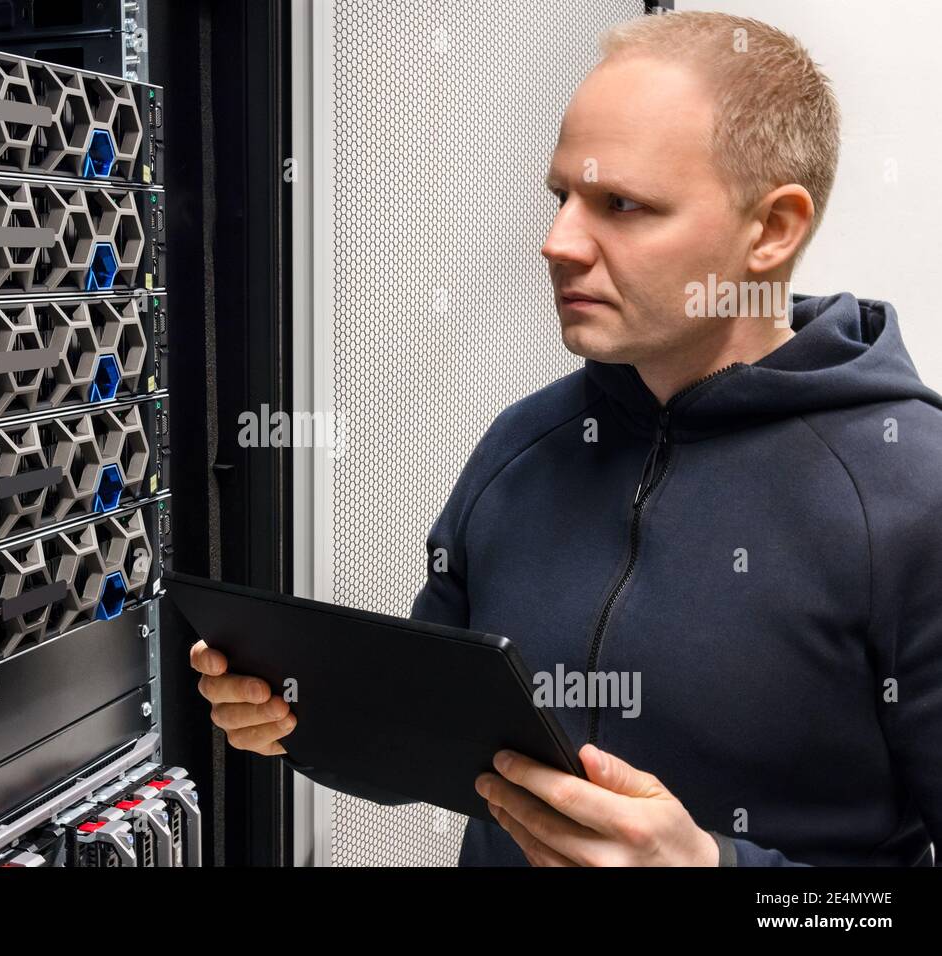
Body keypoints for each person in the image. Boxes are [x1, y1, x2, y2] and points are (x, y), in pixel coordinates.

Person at [191, 10, 942, 865]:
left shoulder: (912, 491)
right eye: (563, 197)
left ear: (771, 230)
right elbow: (433, 738)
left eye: (621, 205)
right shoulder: (526, 445)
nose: (558, 243)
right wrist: (298, 718)